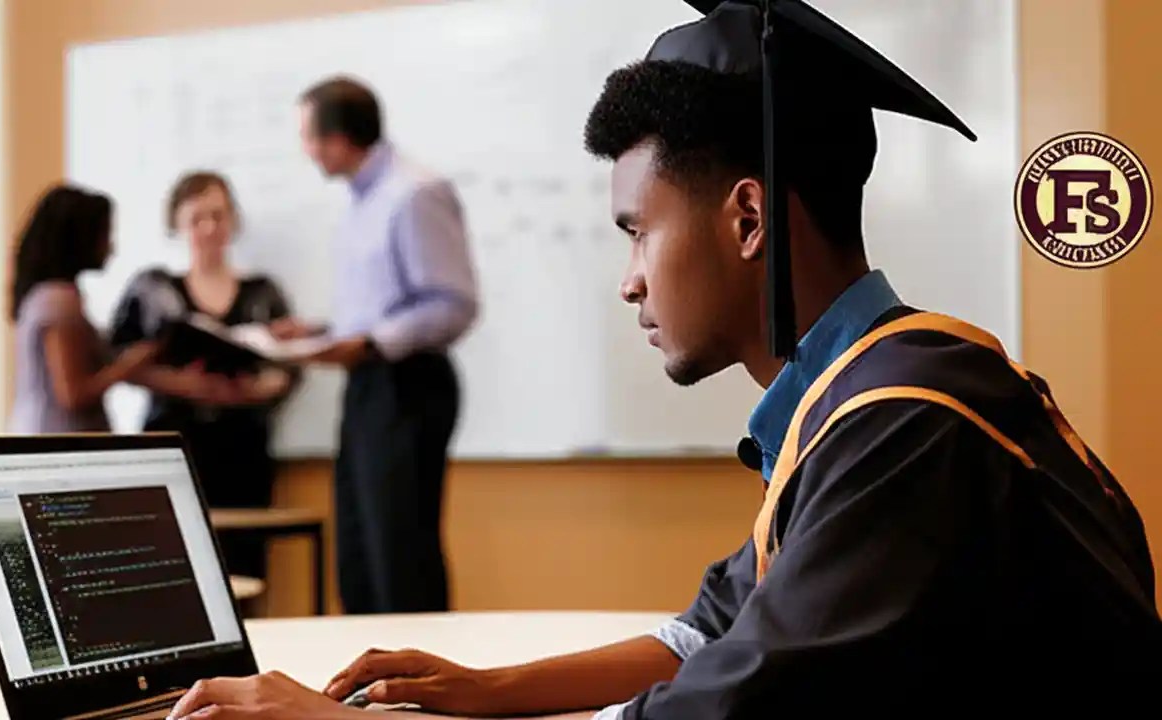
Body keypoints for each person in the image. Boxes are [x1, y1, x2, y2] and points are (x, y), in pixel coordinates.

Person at [166, 2, 1160, 718]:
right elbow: (705, 636)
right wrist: (475, 689)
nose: (627, 280)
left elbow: (709, 708)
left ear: (746, 219)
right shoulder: (871, 390)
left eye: (635, 230)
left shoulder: (905, 425)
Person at [274, 76, 478, 615]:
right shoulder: (362, 200)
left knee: (399, 558)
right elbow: (383, 305)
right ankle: (369, 688)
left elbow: (453, 302)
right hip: (369, 384)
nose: (307, 151)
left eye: (309, 137)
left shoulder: (414, 192)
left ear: (339, 138)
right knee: (360, 558)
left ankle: (419, 690)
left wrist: (369, 342)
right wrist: (320, 332)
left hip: (408, 384)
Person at [110, 171, 300, 580]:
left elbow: (290, 366)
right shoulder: (154, 289)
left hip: (241, 452)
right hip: (173, 445)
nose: (210, 228)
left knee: (243, 569)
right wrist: (185, 385)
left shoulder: (263, 292)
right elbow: (118, 362)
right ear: (177, 224)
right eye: (198, 218)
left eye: (219, 215)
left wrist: (253, 390)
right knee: (167, 567)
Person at [8, 184, 216, 434]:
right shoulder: (59, 303)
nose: (112, 247)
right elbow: (73, 394)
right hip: (60, 443)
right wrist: (132, 362)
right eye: (105, 234)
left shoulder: (48, 298)